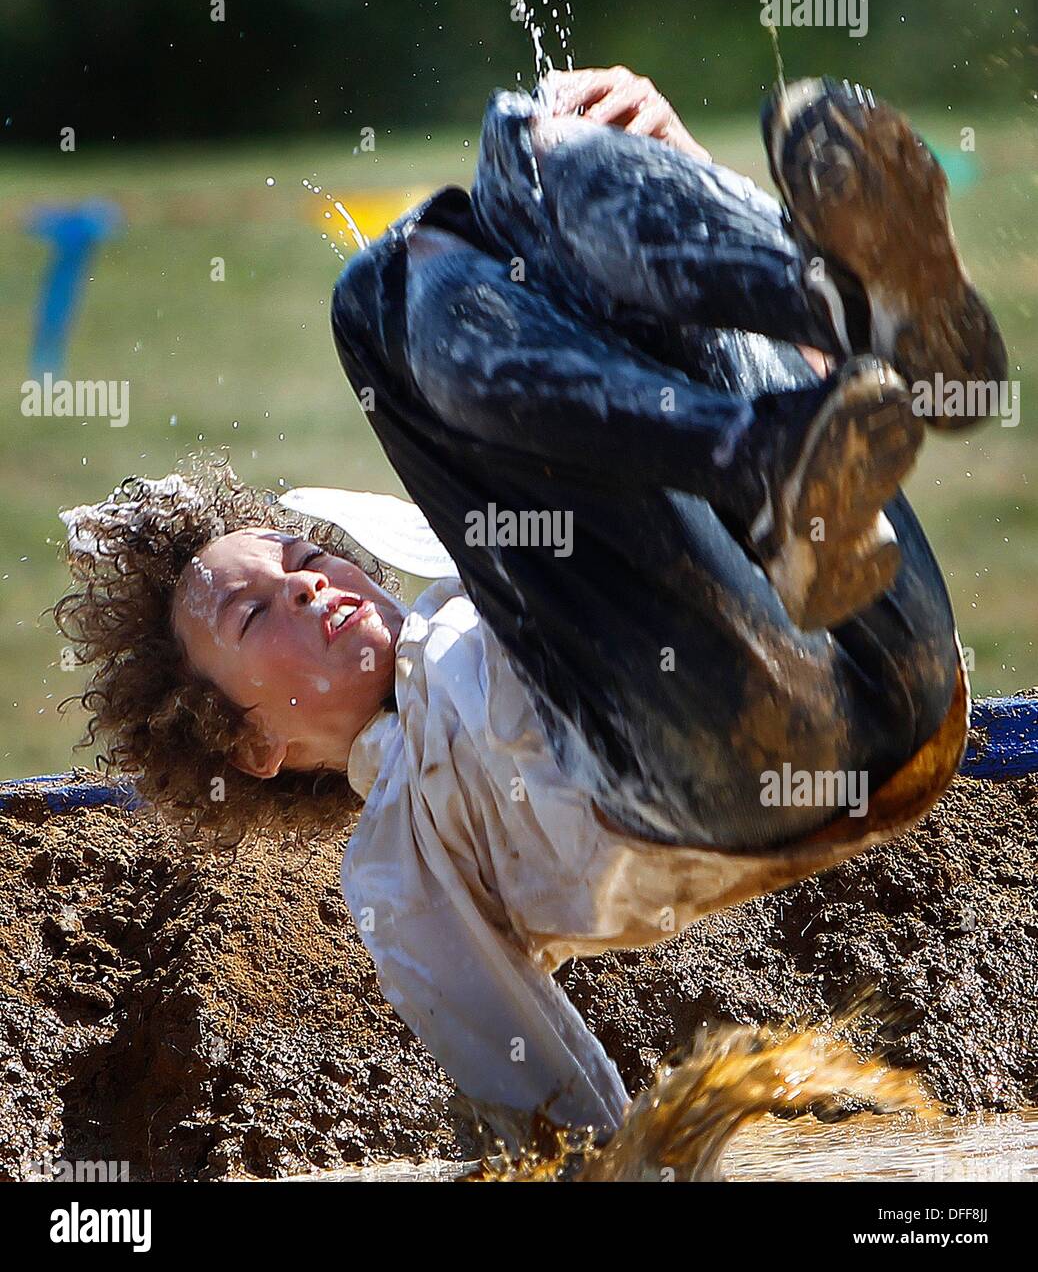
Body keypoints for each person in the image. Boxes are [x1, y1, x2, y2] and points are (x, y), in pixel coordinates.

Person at [56, 66, 1004, 1144]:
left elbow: (777, 396)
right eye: (256, 615)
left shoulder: (474, 581)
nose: (311, 581)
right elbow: (541, 1109)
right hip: (723, 758)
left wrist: (675, 166)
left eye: (297, 556)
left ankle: (840, 295)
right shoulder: (399, 859)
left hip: (903, 675)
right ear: (250, 744)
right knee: (374, 302)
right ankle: (755, 452)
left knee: (519, 147)